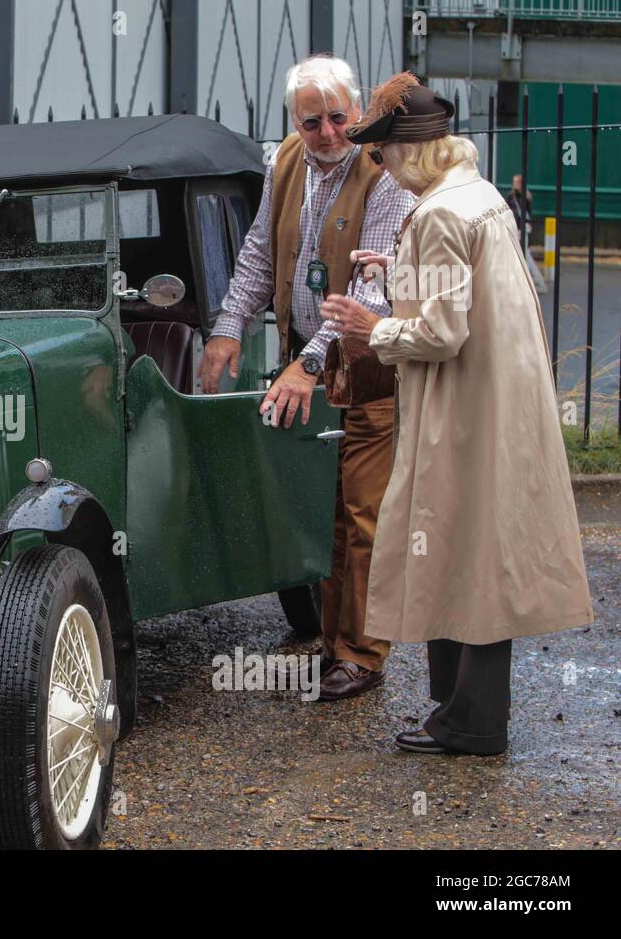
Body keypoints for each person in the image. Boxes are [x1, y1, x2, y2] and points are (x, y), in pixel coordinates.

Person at [321, 72, 593, 754]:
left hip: (464, 410)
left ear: (405, 153)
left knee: (467, 559)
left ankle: (470, 723)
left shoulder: (440, 213)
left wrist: (368, 328)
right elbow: (466, 294)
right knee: (471, 555)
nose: (378, 168)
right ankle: (458, 712)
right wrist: (401, 267)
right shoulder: (475, 195)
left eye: (381, 156)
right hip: (494, 403)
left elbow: (441, 334)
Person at [198, 54, 414, 700]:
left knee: (361, 513)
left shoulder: (382, 168)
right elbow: (261, 249)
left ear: (358, 109)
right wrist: (228, 325)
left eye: (337, 118)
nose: (325, 132)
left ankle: (363, 655)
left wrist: (309, 360)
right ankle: (332, 642)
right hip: (307, 360)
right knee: (317, 508)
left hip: (367, 369)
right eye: (310, 120)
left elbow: (370, 291)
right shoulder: (288, 158)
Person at [507, 174, 547, 292]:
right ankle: (527, 281)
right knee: (522, 255)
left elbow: (528, 213)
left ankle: (538, 281)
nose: (514, 184)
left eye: (516, 182)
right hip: (515, 227)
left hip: (522, 228)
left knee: (525, 256)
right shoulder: (511, 196)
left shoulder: (525, 197)